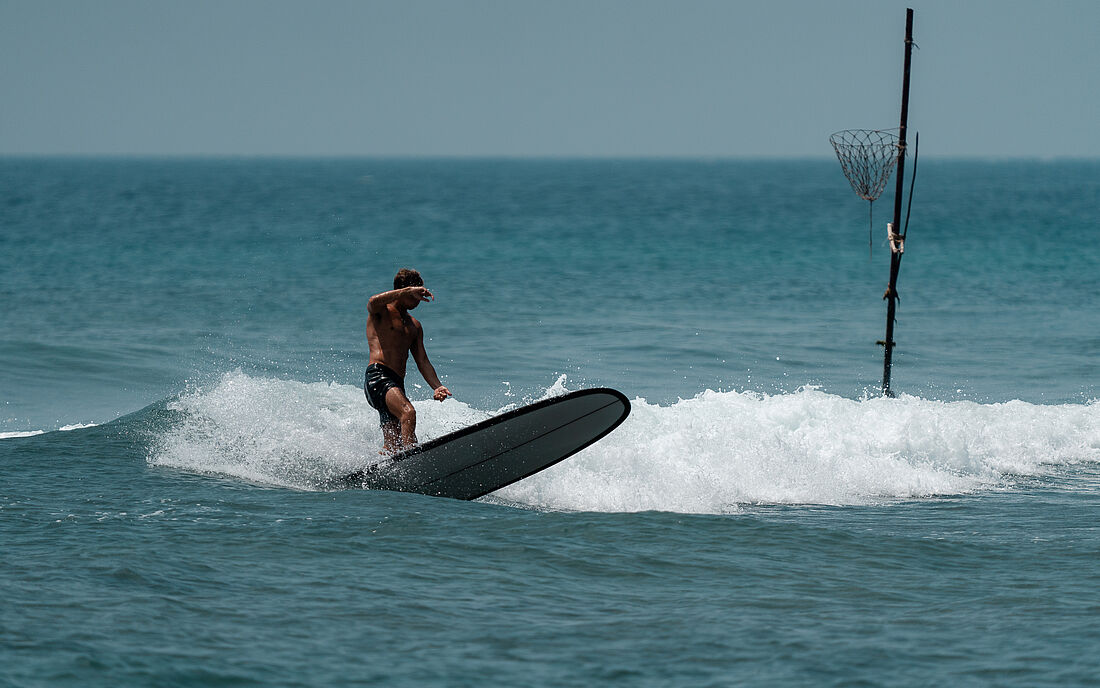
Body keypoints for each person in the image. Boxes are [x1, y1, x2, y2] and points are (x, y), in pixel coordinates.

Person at [364, 268, 452, 453]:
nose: (419, 300)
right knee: (408, 412)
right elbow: (372, 301)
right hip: (378, 377)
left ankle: (385, 467)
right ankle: (413, 463)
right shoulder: (381, 311)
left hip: (396, 383)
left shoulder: (415, 326)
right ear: (403, 291)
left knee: (393, 446)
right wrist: (407, 291)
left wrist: (437, 386)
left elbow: (423, 361)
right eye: (416, 294)